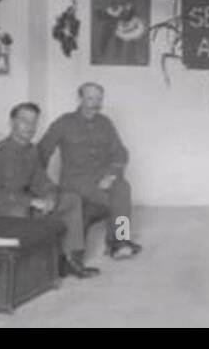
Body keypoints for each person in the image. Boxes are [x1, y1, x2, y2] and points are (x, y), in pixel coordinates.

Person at [0, 103, 99, 279]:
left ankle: (75, 258)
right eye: (24, 121)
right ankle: (31, 270)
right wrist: (34, 200)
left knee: (79, 200)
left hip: (34, 201)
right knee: (22, 211)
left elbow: (41, 181)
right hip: (1, 207)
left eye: (34, 122)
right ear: (12, 122)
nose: (30, 127)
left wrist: (49, 195)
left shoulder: (32, 150)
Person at [37, 83, 143, 259]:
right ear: (80, 99)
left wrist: (111, 175)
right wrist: (40, 185)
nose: (95, 104)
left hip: (103, 177)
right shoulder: (63, 123)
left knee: (123, 189)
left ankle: (120, 240)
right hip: (76, 182)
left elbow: (120, 152)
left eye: (99, 99)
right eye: (90, 99)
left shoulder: (105, 123)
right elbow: (42, 152)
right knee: (115, 201)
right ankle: (117, 242)